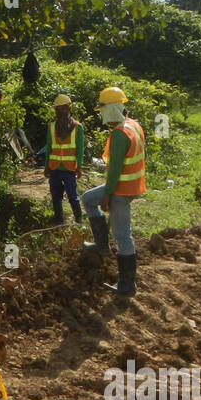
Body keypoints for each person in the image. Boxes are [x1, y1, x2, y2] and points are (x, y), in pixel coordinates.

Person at [82, 86, 146, 295]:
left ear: (110, 109)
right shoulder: (134, 125)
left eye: (102, 110)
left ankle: (127, 285)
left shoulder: (120, 134)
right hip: (131, 185)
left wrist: (108, 195)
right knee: (88, 198)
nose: (101, 116)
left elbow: (115, 170)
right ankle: (101, 244)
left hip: (121, 189)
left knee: (122, 235)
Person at [46, 94, 83, 226]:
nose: (62, 111)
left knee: (73, 196)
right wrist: (46, 167)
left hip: (69, 168)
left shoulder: (78, 127)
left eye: (64, 108)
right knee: (56, 196)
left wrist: (79, 167)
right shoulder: (51, 127)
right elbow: (49, 148)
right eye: (59, 108)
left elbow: (80, 150)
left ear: (69, 108)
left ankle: (79, 220)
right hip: (54, 168)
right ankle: (59, 220)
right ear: (56, 110)